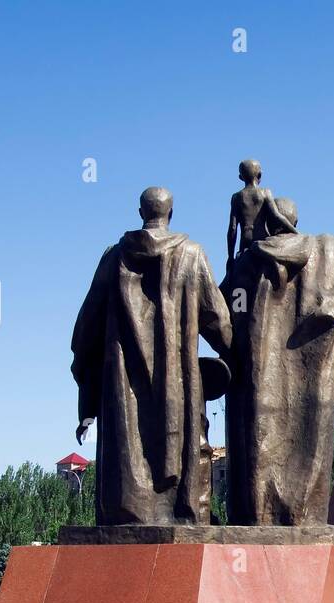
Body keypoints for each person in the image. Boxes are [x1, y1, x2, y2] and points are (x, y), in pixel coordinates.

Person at [71, 186, 232, 525]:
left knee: (127, 448)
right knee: (182, 445)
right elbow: (217, 320)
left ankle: (129, 511)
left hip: (122, 385)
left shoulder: (114, 259)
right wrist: (236, 356)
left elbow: (87, 325)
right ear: (169, 213)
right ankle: (181, 511)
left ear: (140, 212)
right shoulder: (192, 255)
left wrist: (85, 376)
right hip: (180, 385)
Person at [225, 200, 334, 525]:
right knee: (310, 444)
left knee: (259, 441)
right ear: (295, 221)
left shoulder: (246, 264)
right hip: (313, 374)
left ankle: (258, 517)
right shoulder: (323, 250)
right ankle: (304, 519)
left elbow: (215, 313)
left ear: (267, 225)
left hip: (257, 378)